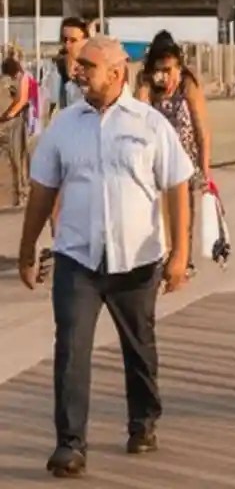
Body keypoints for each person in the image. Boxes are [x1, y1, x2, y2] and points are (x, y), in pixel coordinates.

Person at [16, 36, 194, 479]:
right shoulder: (64, 126)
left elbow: (176, 187)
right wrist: (26, 249)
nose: (78, 73)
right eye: (78, 66)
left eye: (88, 67)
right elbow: (42, 190)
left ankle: (143, 421)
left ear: (117, 74)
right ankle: (70, 444)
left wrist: (180, 254)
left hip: (136, 262)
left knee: (139, 349)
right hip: (78, 258)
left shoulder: (150, 125)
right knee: (71, 348)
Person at [136, 31, 213, 275]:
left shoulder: (188, 85)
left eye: (170, 69)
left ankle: (184, 259)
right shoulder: (148, 87)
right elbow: (138, 118)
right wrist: (146, 87)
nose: (166, 76)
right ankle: (161, 255)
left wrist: (205, 170)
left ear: (179, 67)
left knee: (184, 211)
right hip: (155, 162)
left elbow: (202, 130)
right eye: (160, 70)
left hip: (185, 160)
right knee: (156, 212)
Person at [1, 56, 33, 206]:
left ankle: (15, 193)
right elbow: (22, 99)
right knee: (18, 159)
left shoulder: (3, 82)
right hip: (12, 123)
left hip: (5, 123)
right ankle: (20, 192)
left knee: (10, 160)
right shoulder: (13, 82)